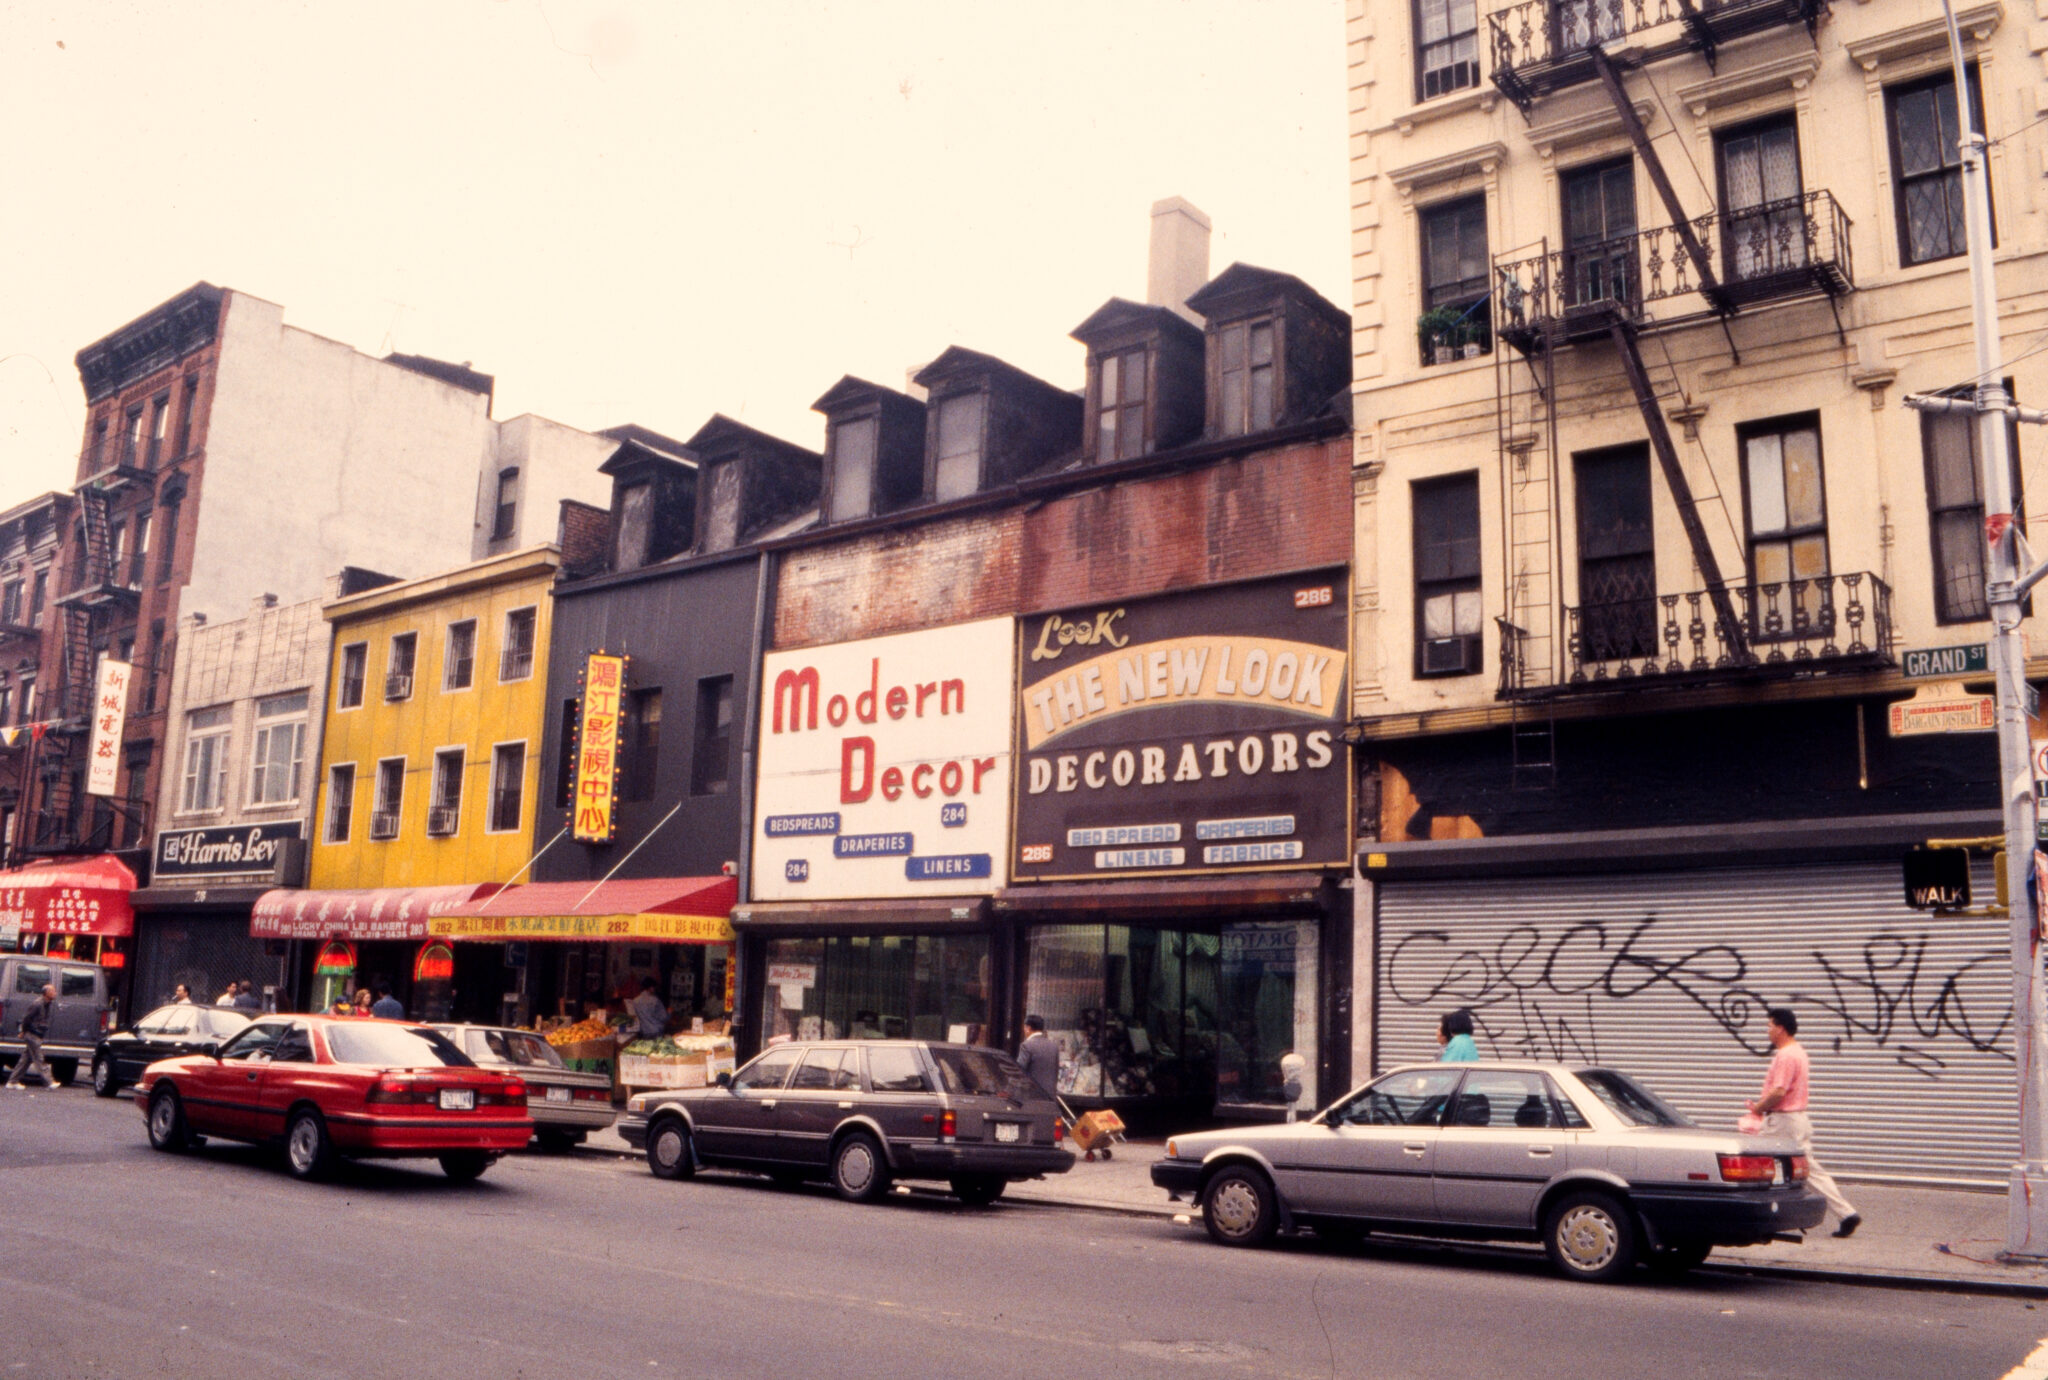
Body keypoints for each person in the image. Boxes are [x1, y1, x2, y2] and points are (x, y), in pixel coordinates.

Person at [1749, 1006, 1860, 1238]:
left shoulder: (1786, 1055)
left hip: (1783, 1122)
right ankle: (1846, 1214)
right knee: (1807, 1168)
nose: (1767, 1030)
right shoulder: (1799, 1052)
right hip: (1796, 1119)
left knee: (1755, 1162)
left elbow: (1779, 1091)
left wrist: (1758, 1107)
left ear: (1780, 1028)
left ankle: (1755, 1215)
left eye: (1769, 1025)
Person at [4, 983, 56, 1090]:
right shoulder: (37, 1004)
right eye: (53, 991)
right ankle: (49, 1082)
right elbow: (27, 1018)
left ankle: (12, 1081)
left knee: (25, 1060)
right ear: (46, 993)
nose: (55, 993)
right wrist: (24, 1031)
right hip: (32, 1034)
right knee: (39, 1058)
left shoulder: (47, 1004)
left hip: (37, 1034)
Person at [1016, 1014, 1061, 1098]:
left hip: (1031, 1095)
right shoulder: (1054, 1046)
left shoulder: (1027, 1045)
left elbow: (1019, 1070)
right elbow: (1056, 1071)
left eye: (1024, 1027)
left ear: (1028, 1028)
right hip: (1050, 1095)